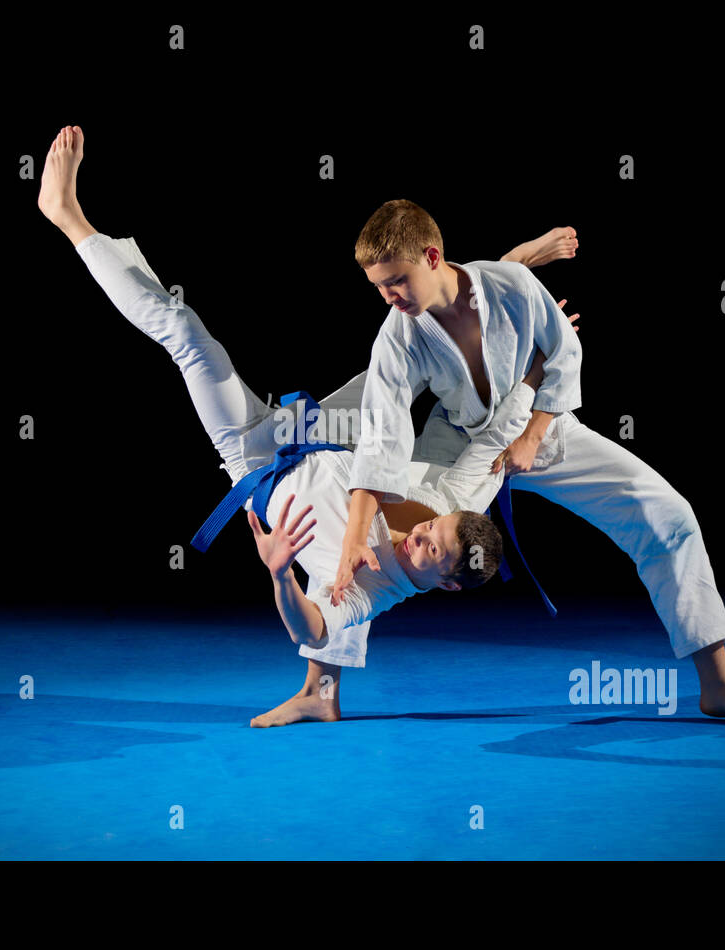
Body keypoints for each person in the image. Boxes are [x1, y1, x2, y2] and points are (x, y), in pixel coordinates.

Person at [36, 126, 576, 727]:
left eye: (429, 550)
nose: (421, 534)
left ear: (444, 585)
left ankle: (68, 218)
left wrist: (279, 574)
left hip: (256, 460)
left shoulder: (378, 588)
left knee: (186, 334)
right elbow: (498, 410)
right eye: (435, 527)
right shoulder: (462, 499)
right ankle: (322, 697)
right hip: (322, 431)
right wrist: (537, 357)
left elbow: (315, 624)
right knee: (421, 348)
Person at [333, 199, 725, 728]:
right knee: (377, 539)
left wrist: (533, 436)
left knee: (669, 513)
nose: (388, 297)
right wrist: (352, 538)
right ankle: (323, 687)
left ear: (432, 256)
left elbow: (565, 355)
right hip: (455, 441)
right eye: (379, 287)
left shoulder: (511, 286)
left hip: (539, 427)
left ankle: (718, 684)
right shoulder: (398, 334)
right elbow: (383, 434)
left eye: (396, 281)